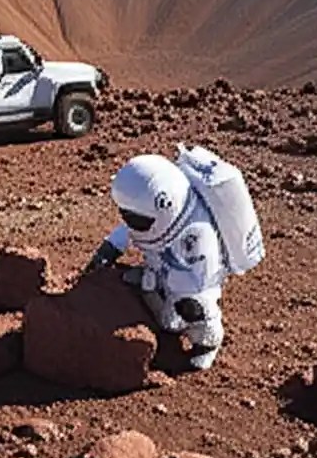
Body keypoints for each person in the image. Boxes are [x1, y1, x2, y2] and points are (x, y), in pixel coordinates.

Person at [85, 145, 264, 370]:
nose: (130, 219)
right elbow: (130, 229)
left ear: (165, 203)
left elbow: (192, 282)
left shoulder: (196, 236)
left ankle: (207, 342)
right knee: (150, 289)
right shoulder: (151, 213)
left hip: (194, 282)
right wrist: (108, 251)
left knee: (189, 309)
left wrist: (169, 297)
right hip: (164, 264)